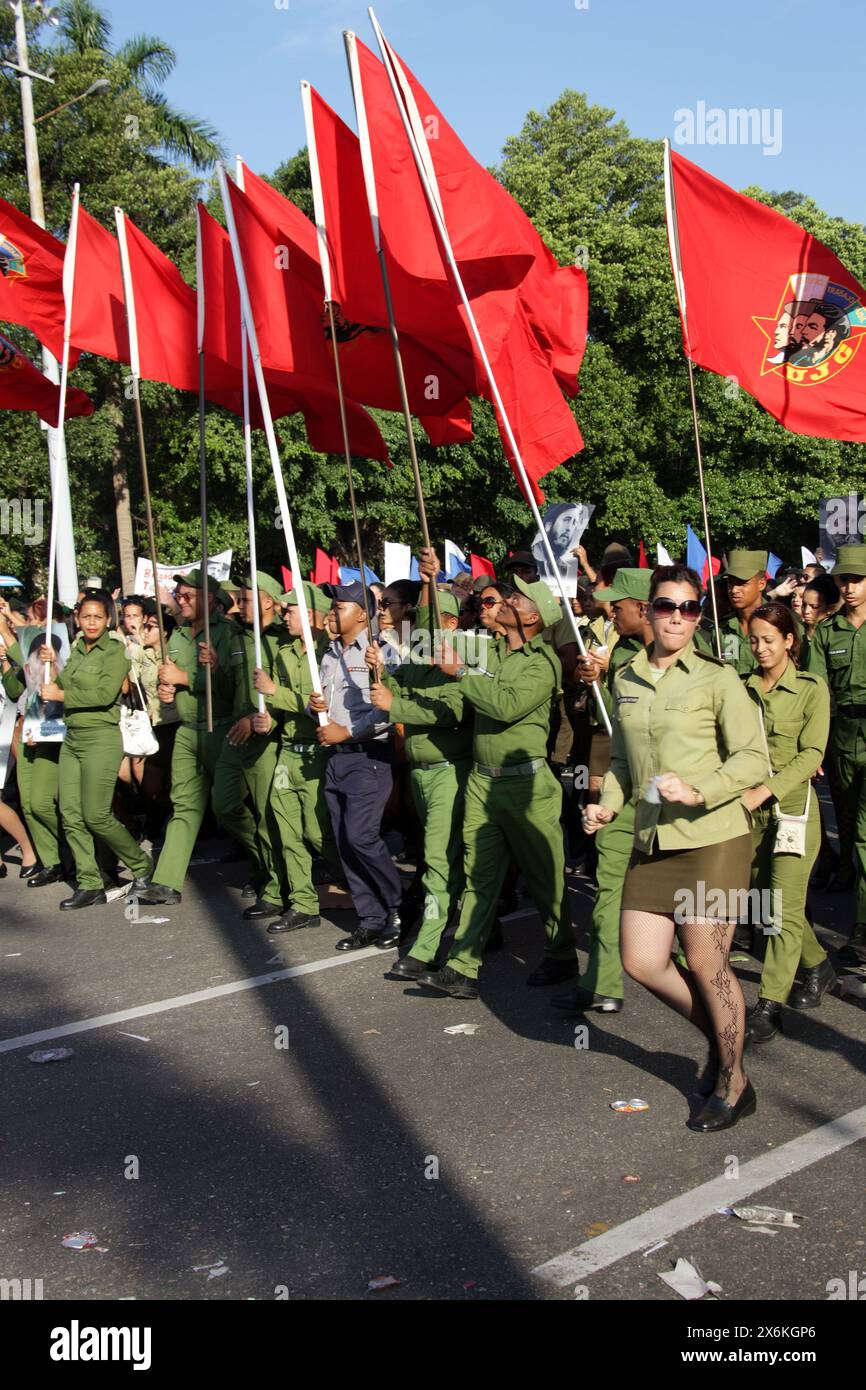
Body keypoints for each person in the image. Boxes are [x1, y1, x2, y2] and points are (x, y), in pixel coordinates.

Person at [585, 564, 767, 1132]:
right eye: (667, 606)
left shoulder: (717, 679)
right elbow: (620, 761)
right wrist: (607, 803)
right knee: (641, 961)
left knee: (707, 960)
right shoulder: (625, 678)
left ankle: (734, 1080)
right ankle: (721, 1033)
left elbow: (753, 759)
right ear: (651, 610)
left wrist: (700, 788)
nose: (678, 618)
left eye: (690, 608)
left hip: (713, 836)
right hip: (652, 838)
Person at [417, 577, 579, 998]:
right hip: (482, 783)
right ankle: (462, 967)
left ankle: (562, 953)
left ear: (532, 617)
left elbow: (506, 705)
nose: (506, 601)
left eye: (517, 598)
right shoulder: (487, 647)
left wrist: (463, 674)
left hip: (527, 787)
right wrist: (429, 586)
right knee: (480, 877)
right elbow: (430, 637)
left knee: (545, 880)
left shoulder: (543, 663)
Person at [554, 568, 653, 1015]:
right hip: (623, 782)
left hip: (674, 794)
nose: (610, 609)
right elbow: (616, 721)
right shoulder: (621, 649)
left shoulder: (692, 656)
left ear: (645, 607)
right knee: (609, 882)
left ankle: (698, 974)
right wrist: (594, 680)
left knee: (685, 891)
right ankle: (604, 982)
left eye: (619, 603)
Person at [367, 575, 474, 979]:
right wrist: (381, 675)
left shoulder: (461, 658)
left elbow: (452, 711)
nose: (414, 625)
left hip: (449, 771)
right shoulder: (418, 657)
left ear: (448, 623)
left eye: (425, 618)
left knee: (437, 861)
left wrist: (397, 703)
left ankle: (427, 945)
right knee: (445, 859)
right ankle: (479, 927)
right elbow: (399, 689)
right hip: (420, 773)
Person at [742, 604, 833, 1040]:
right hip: (749, 812)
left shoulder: (812, 689)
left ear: (789, 640)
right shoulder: (742, 687)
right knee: (768, 901)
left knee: (780, 909)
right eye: (754, 639)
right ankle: (817, 964)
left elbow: (812, 754)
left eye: (769, 640)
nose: (760, 648)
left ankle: (770, 1002)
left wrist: (768, 788)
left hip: (793, 810)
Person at [40, 590, 153, 910]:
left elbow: (104, 694)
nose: (91, 622)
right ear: (77, 618)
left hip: (101, 739)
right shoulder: (76, 649)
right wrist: (54, 666)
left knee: (96, 814)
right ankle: (90, 882)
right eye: (85, 616)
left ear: (107, 620)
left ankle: (142, 866)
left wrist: (61, 695)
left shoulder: (116, 651)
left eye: (97, 617)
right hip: (72, 738)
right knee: (70, 813)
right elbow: (65, 685)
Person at [137, 570, 244, 906]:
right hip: (187, 730)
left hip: (223, 728)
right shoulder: (179, 636)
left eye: (188, 595)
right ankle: (167, 881)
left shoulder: (228, 635)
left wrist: (186, 677)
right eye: (178, 595)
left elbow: (232, 686)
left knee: (230, 808)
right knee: (183, 805)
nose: (180, 600)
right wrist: (169, 689)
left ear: (209, 599)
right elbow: (172, 680)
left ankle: (269, 864)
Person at [309, 581, 402, 952]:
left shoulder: (381, 652)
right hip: (335, 759)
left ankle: (396, 908)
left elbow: (389, 708)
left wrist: (346, 732)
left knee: (362, 836)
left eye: (341, 606)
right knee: (345, 842)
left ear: (362, 614)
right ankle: (370, 918)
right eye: (333, 606)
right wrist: (314, 708)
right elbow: (325, 705)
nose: (333, 611)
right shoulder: (330, 653)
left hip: (369, 757)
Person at [254, 581, 338, 934]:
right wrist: (268, 716)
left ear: (312, 614)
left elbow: (319, 706)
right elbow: (282, 704)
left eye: (291, 609)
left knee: (318, 834)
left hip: (317, 754)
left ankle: (370, 885)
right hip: (288, 754)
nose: (284, 614)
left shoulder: (329, 654)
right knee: (287, 830)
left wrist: (276, 693)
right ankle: (303, 903)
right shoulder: (283, 651)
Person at [212, 573, 290, 922]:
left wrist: (264, 715)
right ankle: (263, 863)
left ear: (270, 602)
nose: (238, 605)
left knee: (267, 816)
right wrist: (214, 668)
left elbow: (289, 687)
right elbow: (228, 687)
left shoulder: (282, 640)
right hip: (235, 733)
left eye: (246, 600)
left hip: (266, 735)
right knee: (225, 805)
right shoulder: (235, 637)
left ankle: (276, 888)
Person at [806, 543, 866, 959]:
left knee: (863, 834)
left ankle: (861, 926)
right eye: (843, 579)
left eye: (857, 579)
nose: (848, 587)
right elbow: (816, 693)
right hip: (843, 740)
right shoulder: (828, 634)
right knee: (851, 830)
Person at [0, 610, 65, 886]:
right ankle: (49, 861)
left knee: (46, 801)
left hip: (51, 727)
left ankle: (67, 854)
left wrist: (5, 627)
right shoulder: (26, 667)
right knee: (28, 803)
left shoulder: (59, 666)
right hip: (25, 727)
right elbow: (15, 691)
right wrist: (4, 663)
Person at [720, 549, 769, 675]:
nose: (734, 590)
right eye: (730, 583)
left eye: (742, 583)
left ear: (761, 584)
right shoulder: (720, 628)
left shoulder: (780, 623)